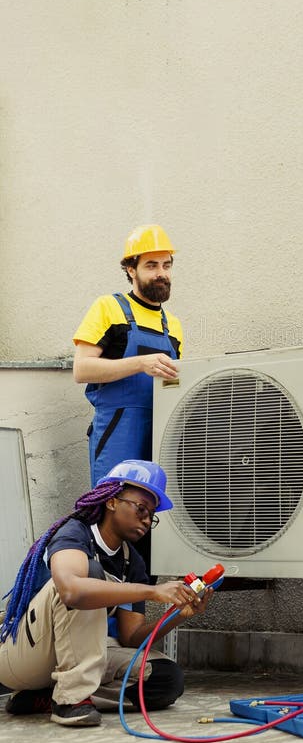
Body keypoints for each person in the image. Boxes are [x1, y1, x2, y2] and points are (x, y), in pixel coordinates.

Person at [0, 460, 211, 727]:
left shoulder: (132, 562)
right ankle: (70, 700)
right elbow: (71, 591)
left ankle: (43, 696)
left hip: (76, 651)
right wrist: (152, 592)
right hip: (23, 655)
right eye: (141, 509)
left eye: (152, 515)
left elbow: (132, 638)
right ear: (111, 500)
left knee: (164, 678)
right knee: (89, 574)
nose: (147, 520)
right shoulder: (74, 532)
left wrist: (178, 614)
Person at [73, 224, 182, 573]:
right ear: (131, 269)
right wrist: (141, 363)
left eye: (166, 265)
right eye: (151, 265)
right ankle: (104, 623)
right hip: (118, 437)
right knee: (113, 525)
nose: (161, 273)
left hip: (160, 438)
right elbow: (82, 369)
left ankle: (135, 619)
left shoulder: (174, 326)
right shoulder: (108, 308)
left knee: (150, 534)